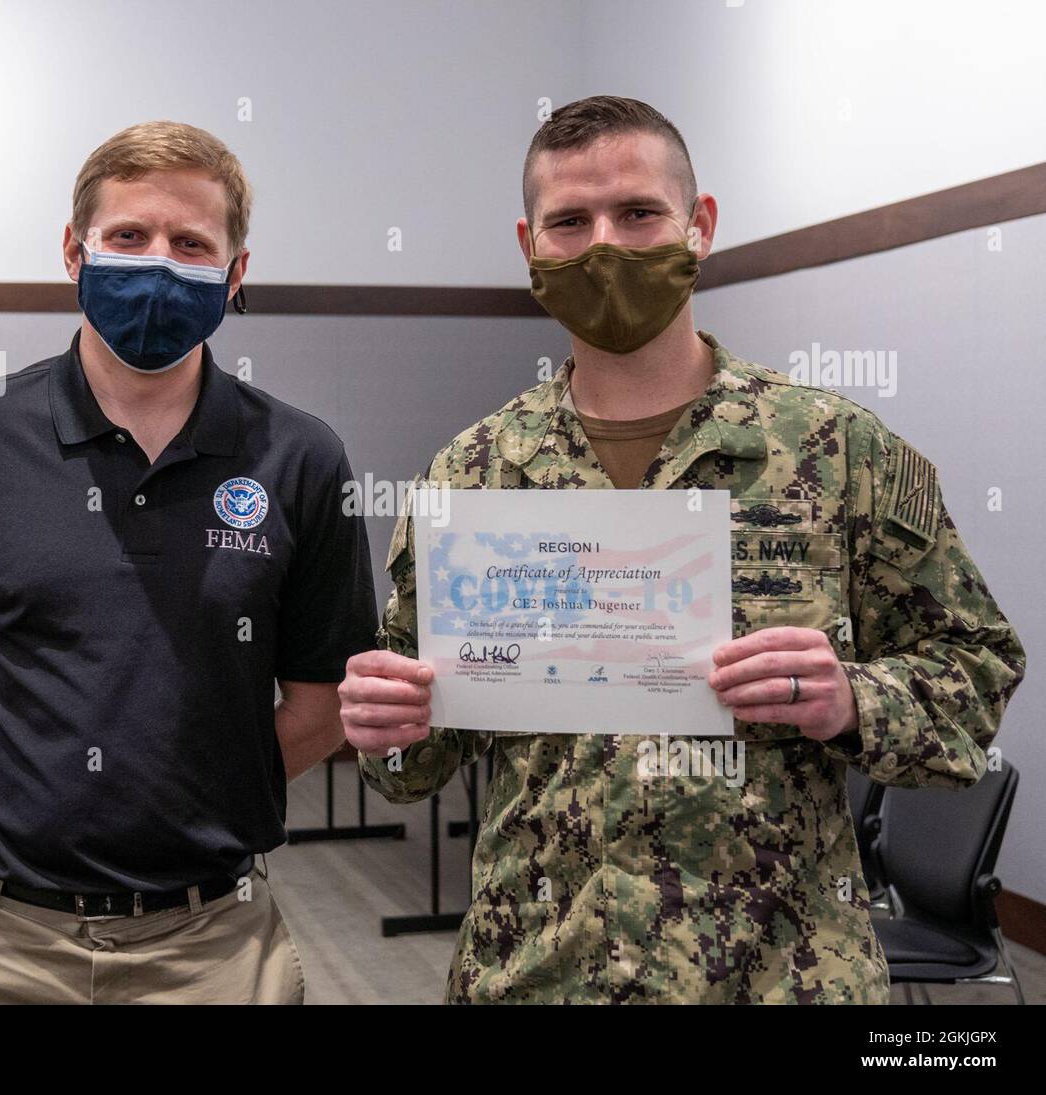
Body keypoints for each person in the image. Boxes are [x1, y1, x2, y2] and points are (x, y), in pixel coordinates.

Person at [339, 95, 1026, 1004]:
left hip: (780, 975)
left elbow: (978, 674)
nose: (606, 247)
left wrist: (851, 698)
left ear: (699, 226)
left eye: (638, 213)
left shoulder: (835, 451)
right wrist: (384, 727)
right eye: (570, 222)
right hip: (540, 971)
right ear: (530, 245)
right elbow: (413, 760)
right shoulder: (469, 478)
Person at [0, 120, 376, 1004]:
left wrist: (192, 779)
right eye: (129, 237)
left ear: (235, 274)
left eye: (191, 244)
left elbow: (321, 699)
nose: (158, 263)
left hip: (212, 940)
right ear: (74, 250)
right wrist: (29, 778)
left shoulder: (301, 457)